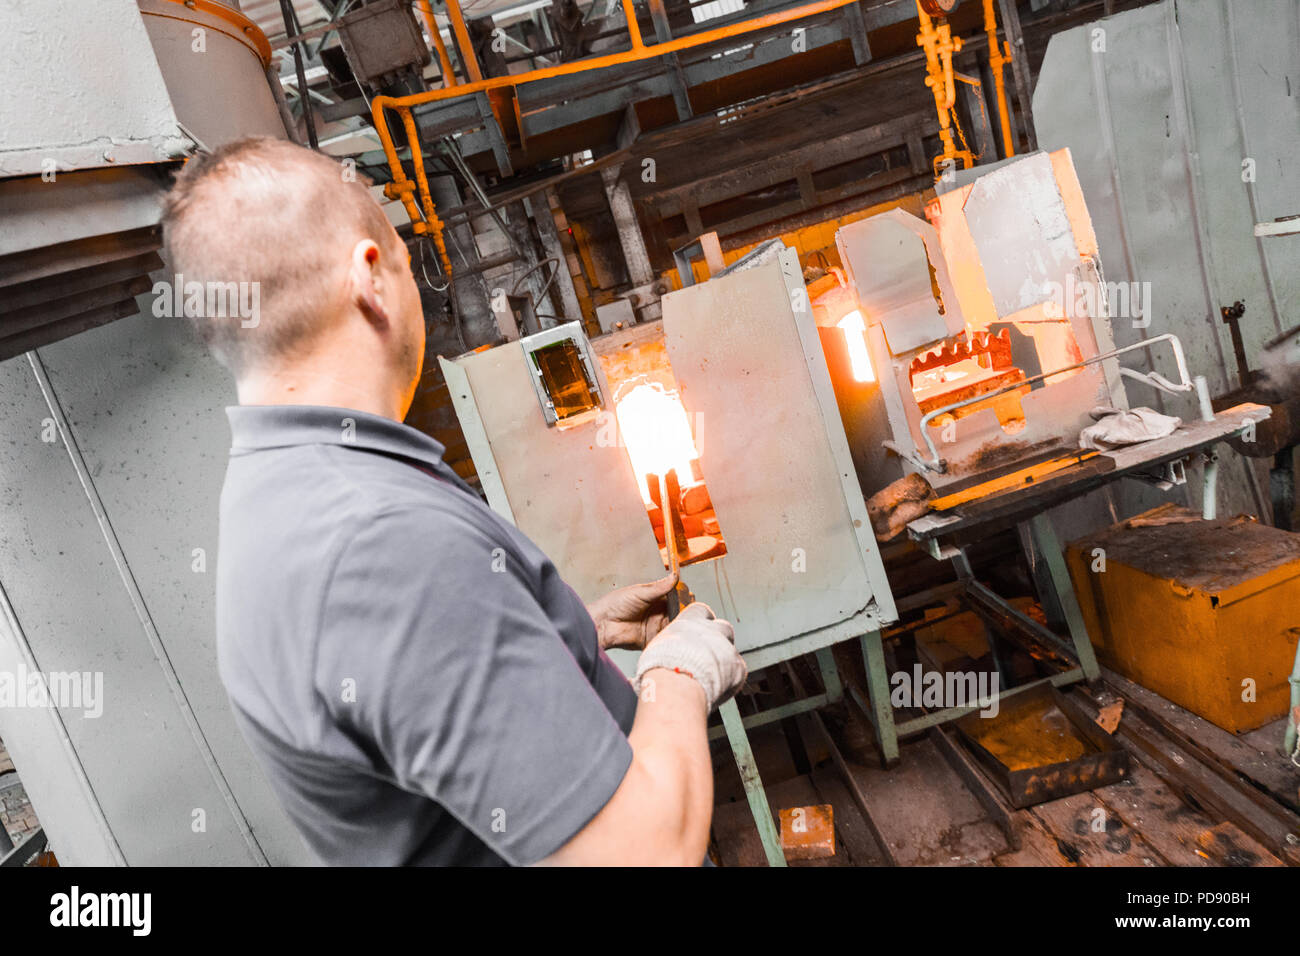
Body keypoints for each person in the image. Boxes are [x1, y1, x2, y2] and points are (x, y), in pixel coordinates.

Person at [160, 137, 746, 866]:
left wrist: (566, 636)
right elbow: (642, 853)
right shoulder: (380, 541)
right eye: (406, 261)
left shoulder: (287, 495)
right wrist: (678, 672)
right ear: (370, 277)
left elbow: (412, 717)